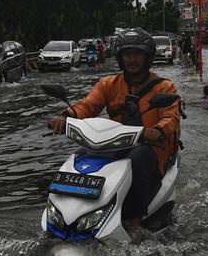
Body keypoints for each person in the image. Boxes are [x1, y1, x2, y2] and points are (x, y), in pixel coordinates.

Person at [48, 28, 182, 241]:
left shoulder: (165, 87)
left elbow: (171, 116)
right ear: (120, 57)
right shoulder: (108, 84)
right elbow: (87, 105)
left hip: (153, 147)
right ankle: (63, 216)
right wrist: (65, 117)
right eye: (127, 54)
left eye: (137, 54)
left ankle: (135, 223)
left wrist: (157, 130)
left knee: (138, 158)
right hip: (115, 143)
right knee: (81, 155)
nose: (132, 59)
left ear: (147, 57)